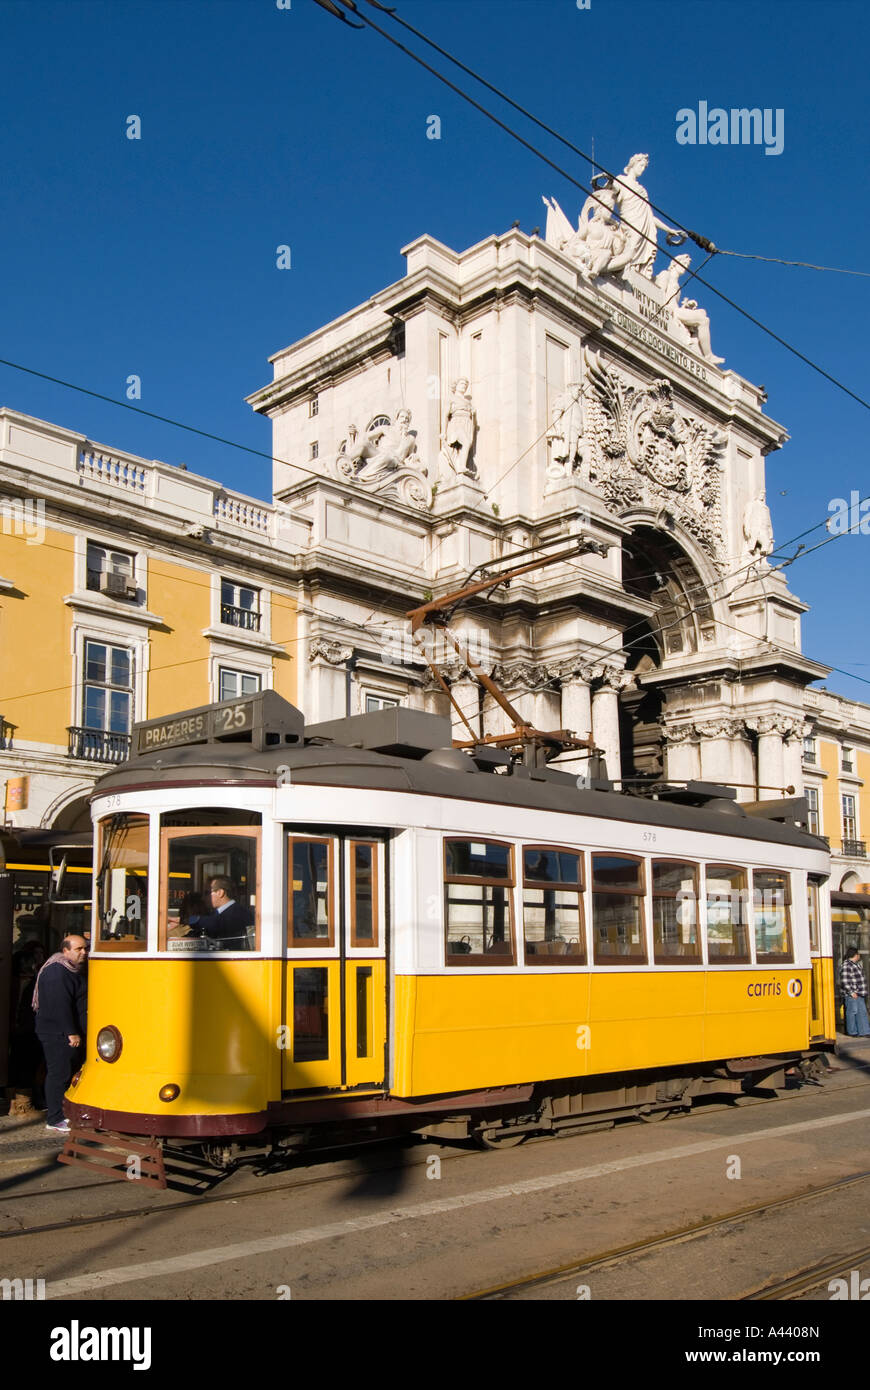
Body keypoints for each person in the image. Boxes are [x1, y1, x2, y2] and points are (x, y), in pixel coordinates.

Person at [32, 935, 88, 1134]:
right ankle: (55, 1118)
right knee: (59, 1074)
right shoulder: (58, 971)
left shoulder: (71, 970)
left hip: (62, 1031)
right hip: (57, 1033)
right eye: (79, 949)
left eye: (85, 948)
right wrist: (71, 1033)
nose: (84, 952)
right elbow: (60, 1006)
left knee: (65, 1072)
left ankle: (63, 1112)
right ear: (65, 950)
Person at [195, 877, 253, 950]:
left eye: (207, 893)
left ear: (220, 893)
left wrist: (190, 921)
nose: (203, 898)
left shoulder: (238, 914)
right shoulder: (217, 913)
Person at [839, 946, 870, 1037]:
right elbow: (844, 980)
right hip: (853, 994)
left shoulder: (856, 964)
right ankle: (852, 1032)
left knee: (862, 1012)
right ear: (855, 955)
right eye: (858, 954)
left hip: (859, 993)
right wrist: (851, 992)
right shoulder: (846, 965)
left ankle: (864, 1031)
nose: (859, 955)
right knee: (852, 1013)